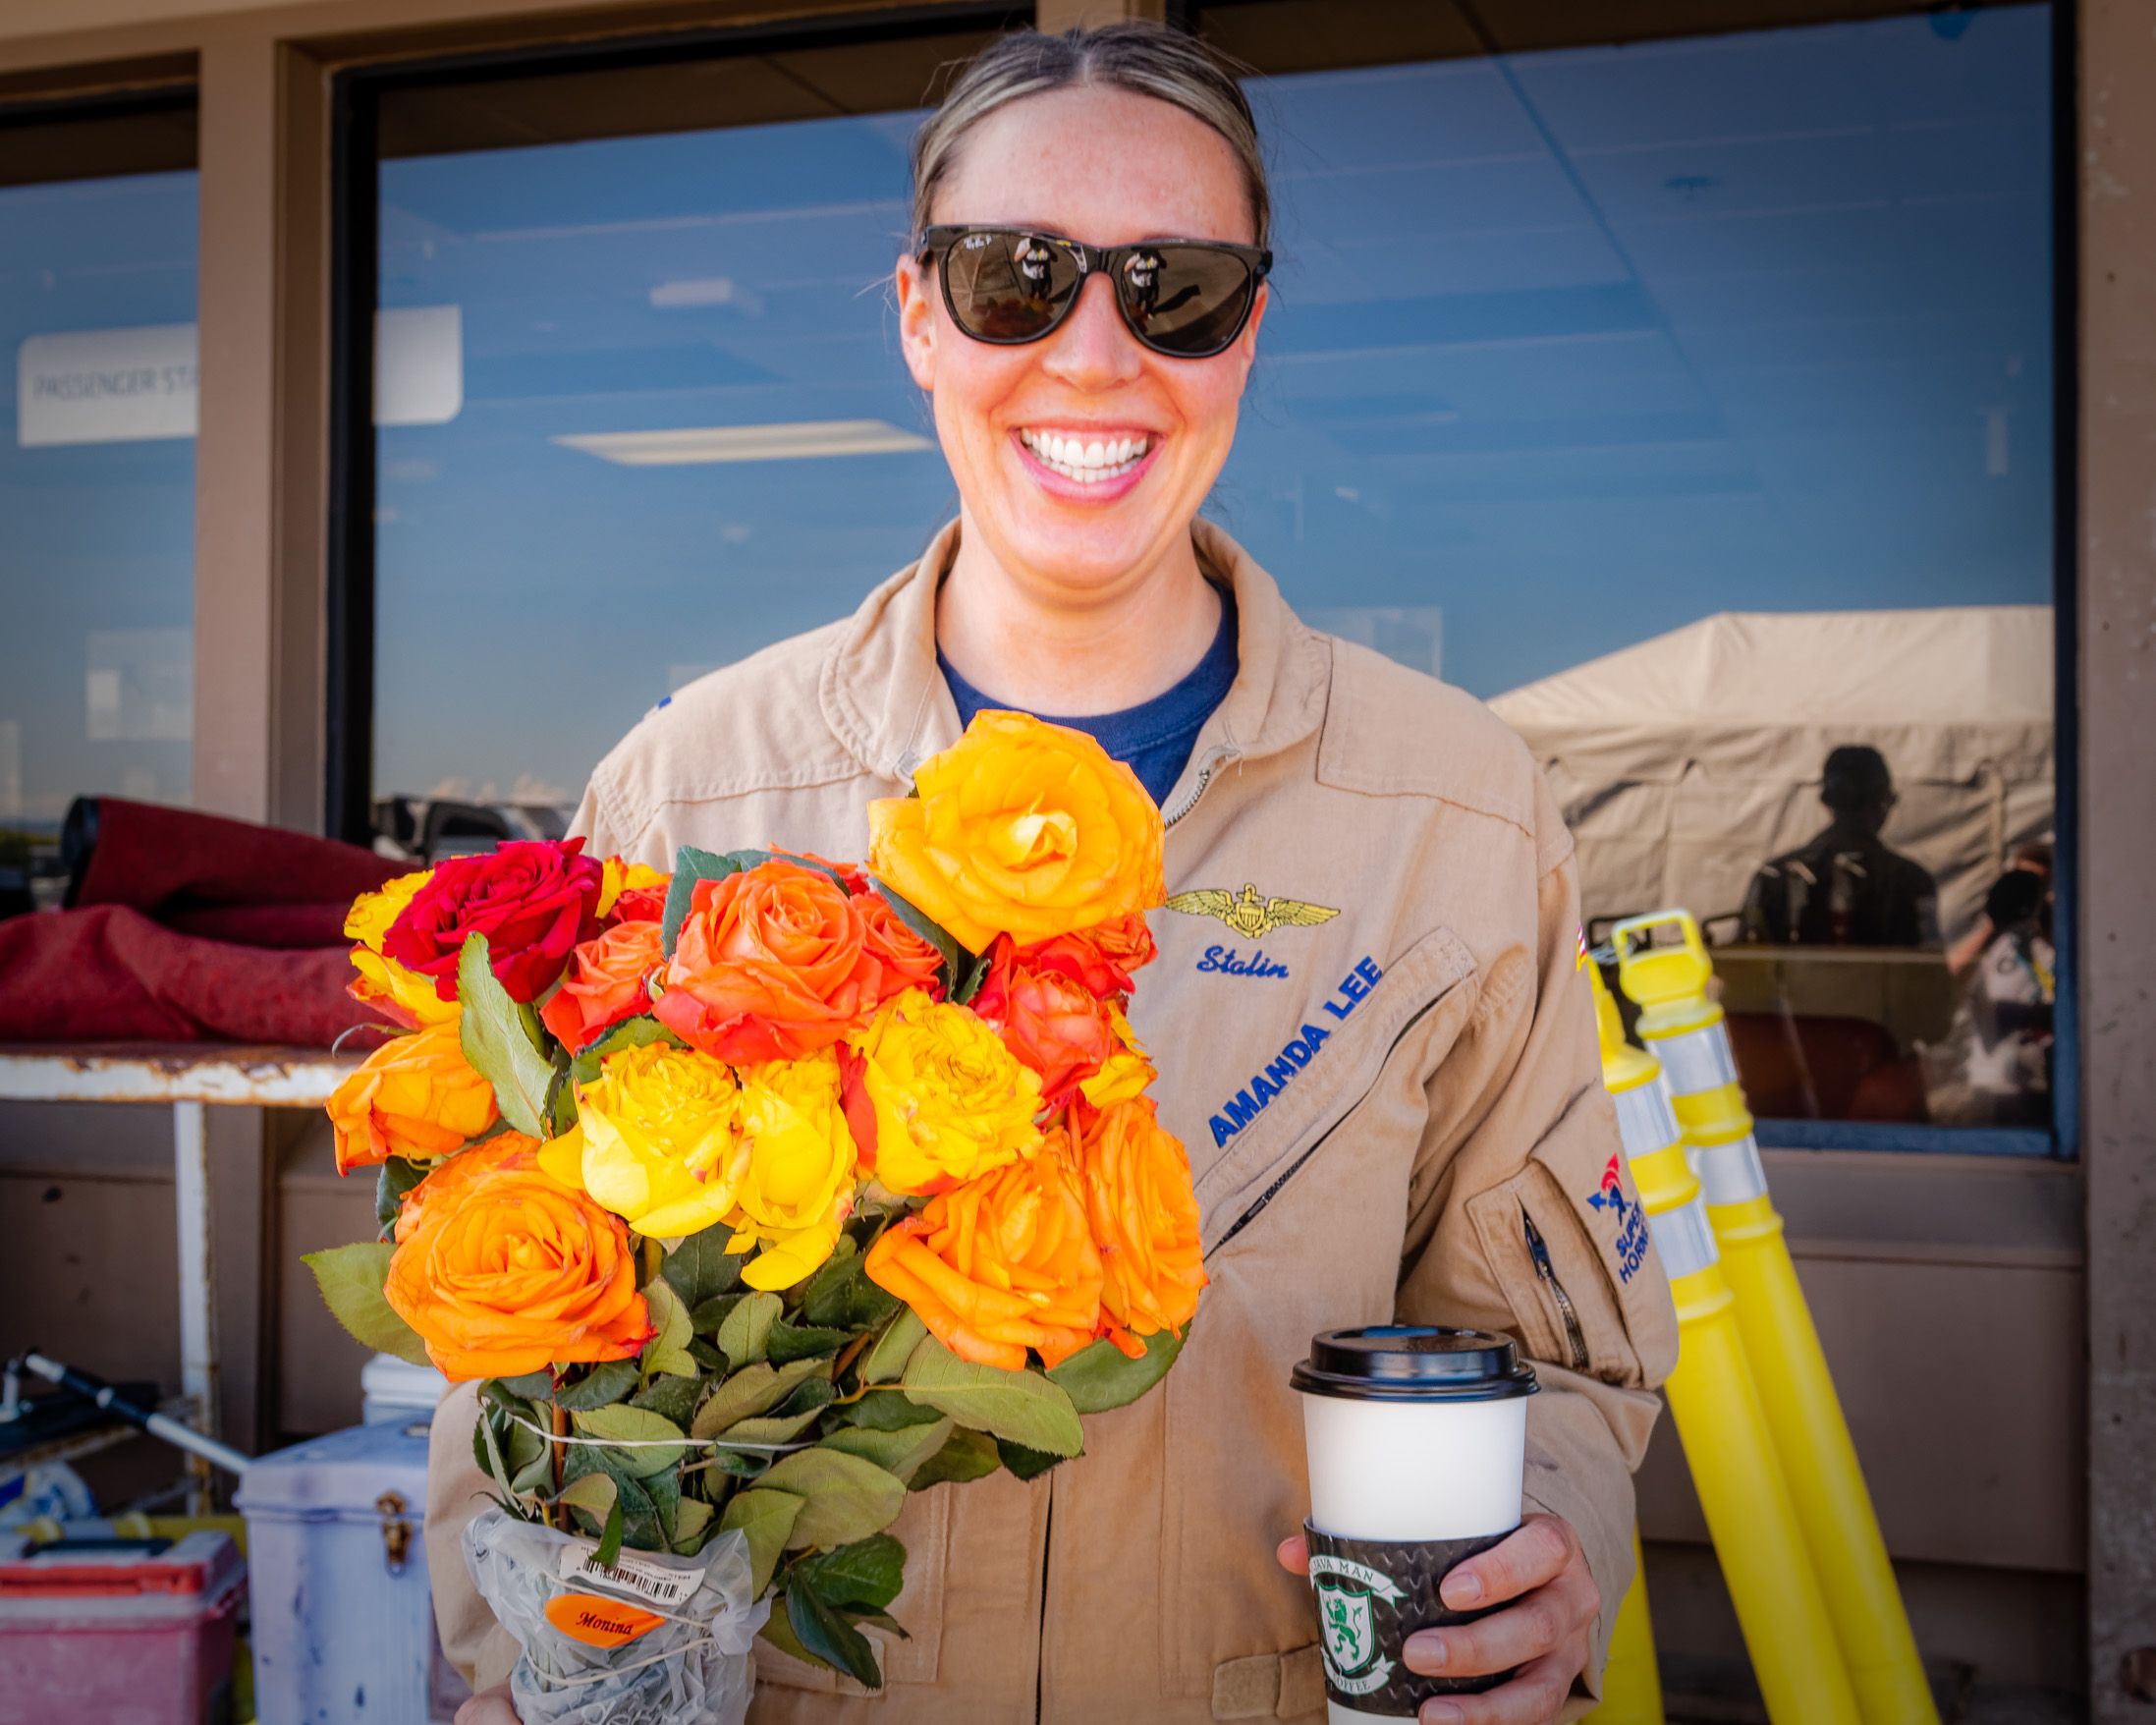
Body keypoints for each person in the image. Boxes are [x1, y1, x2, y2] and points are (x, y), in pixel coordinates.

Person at [433, 25, 1677, 1725]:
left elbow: (1558, 1369)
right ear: (917, 315)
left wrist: (1551, 1555)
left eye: (1178, 289)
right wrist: (527, 1674)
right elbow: (515, 1353)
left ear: (1248, 331)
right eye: (1013, 278)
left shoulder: (1456, 812)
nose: (1094, 355)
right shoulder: (693, 789)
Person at [1740, 745, 1940, 947]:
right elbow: (1928, 959)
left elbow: (1745, 955)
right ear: (1882, 798)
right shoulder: (1911, 880)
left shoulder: (1773, 876)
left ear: (1827, 800)